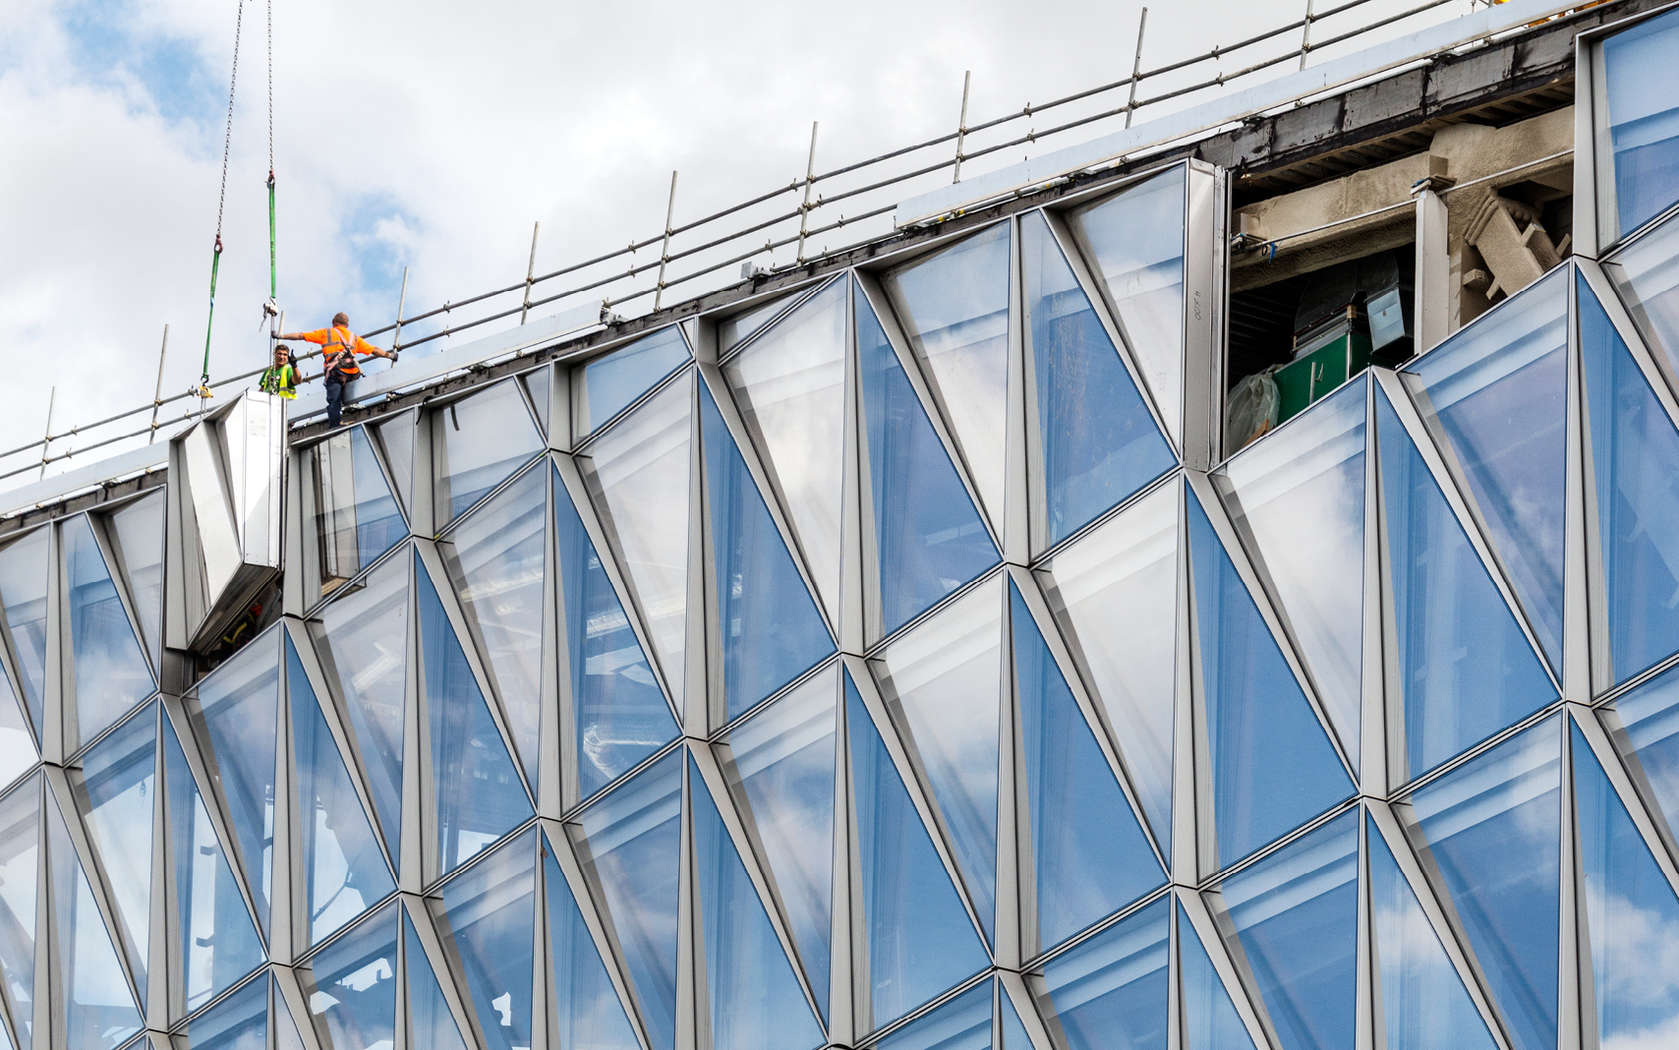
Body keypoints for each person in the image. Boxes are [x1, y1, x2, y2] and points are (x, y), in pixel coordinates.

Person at [276, 313, 396, 426]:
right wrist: (390, 355)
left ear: (333, 322)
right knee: (351, 396)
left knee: (334, 401)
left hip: (336, 373)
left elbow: (301, 336)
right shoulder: (354, 338)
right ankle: (352, 407)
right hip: (352, 374)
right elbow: (373, 350)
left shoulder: (326, 333)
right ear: (347, 325)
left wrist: (281, 336)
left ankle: (335, 425)